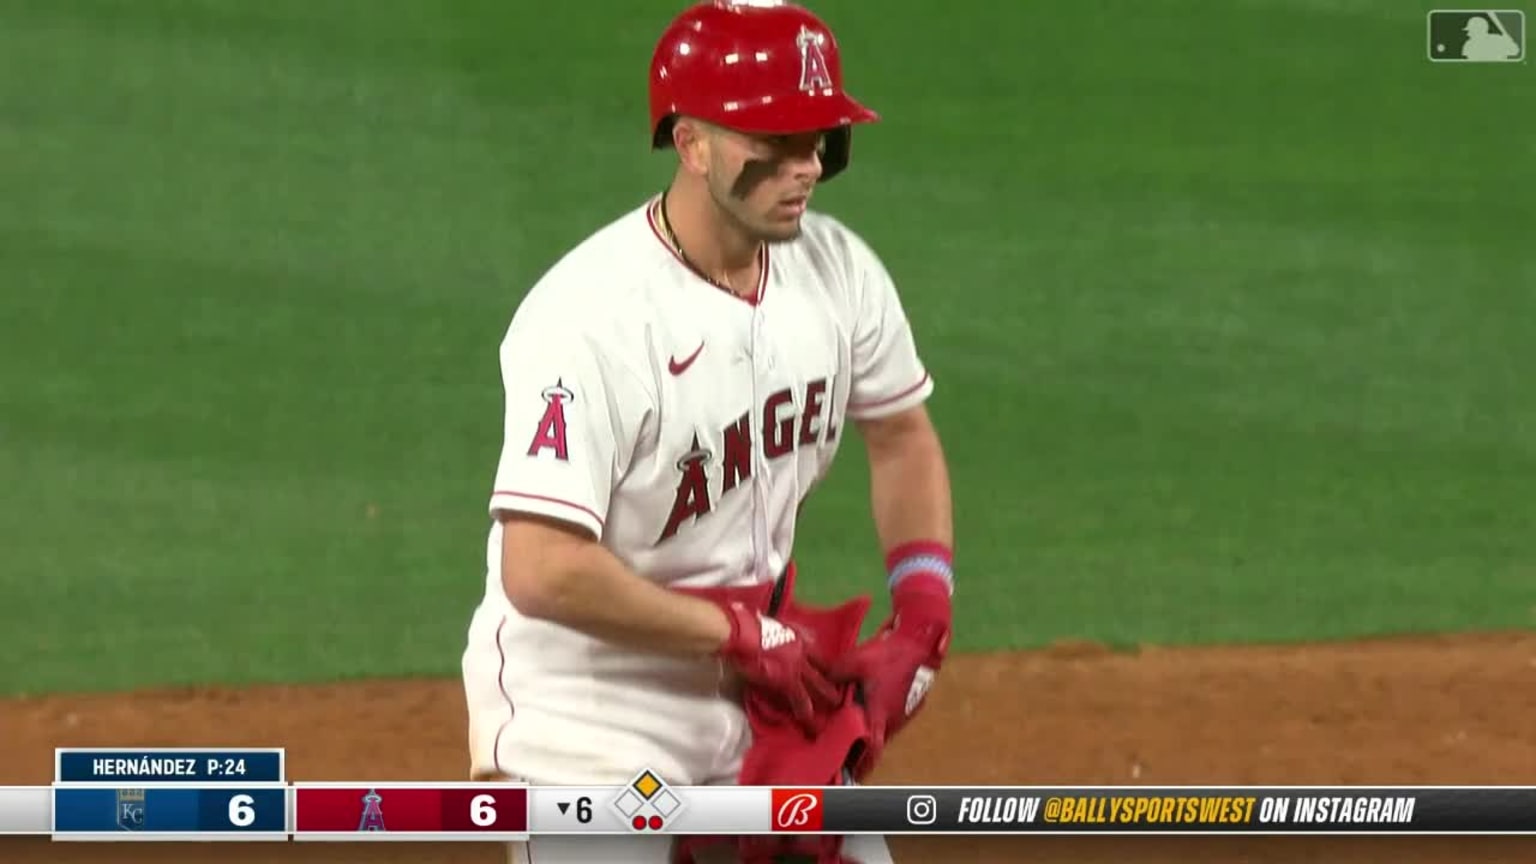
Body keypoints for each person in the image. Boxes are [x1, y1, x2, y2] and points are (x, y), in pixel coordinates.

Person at [459, 2, 956, 861]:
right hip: (589, 713)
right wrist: (739, 635)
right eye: (777, 140)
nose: (807, 165)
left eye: (820, 140)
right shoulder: (589, 318)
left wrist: (922, 617)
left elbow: (901, 435)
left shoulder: (837, 271)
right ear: (690, 144)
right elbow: (542, 568)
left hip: (757, 693)